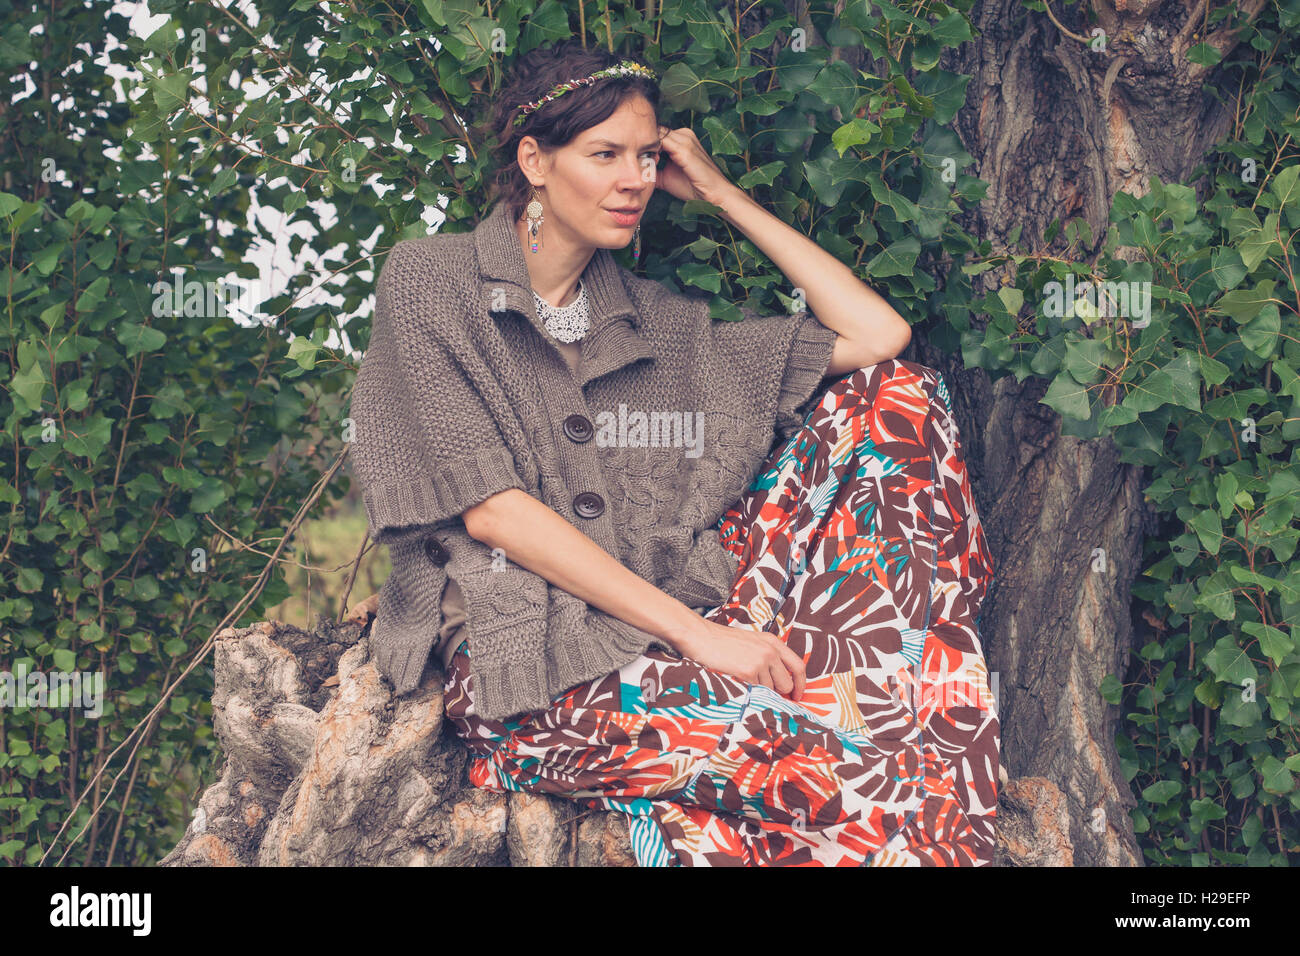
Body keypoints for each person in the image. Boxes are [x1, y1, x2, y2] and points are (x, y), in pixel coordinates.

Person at [350, 39, 999, 866]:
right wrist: (701, 638)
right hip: (533, 666)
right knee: (870, 782)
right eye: (606, 155)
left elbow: (878, 337)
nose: (636, 180)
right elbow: (495, 511)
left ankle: (888, 693)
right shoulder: (431, 282)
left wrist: (725, 196)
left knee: (898, 398)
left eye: (649, 157)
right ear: (534, 161)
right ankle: (889, 753)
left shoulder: (656, 325)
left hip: (682, 615)